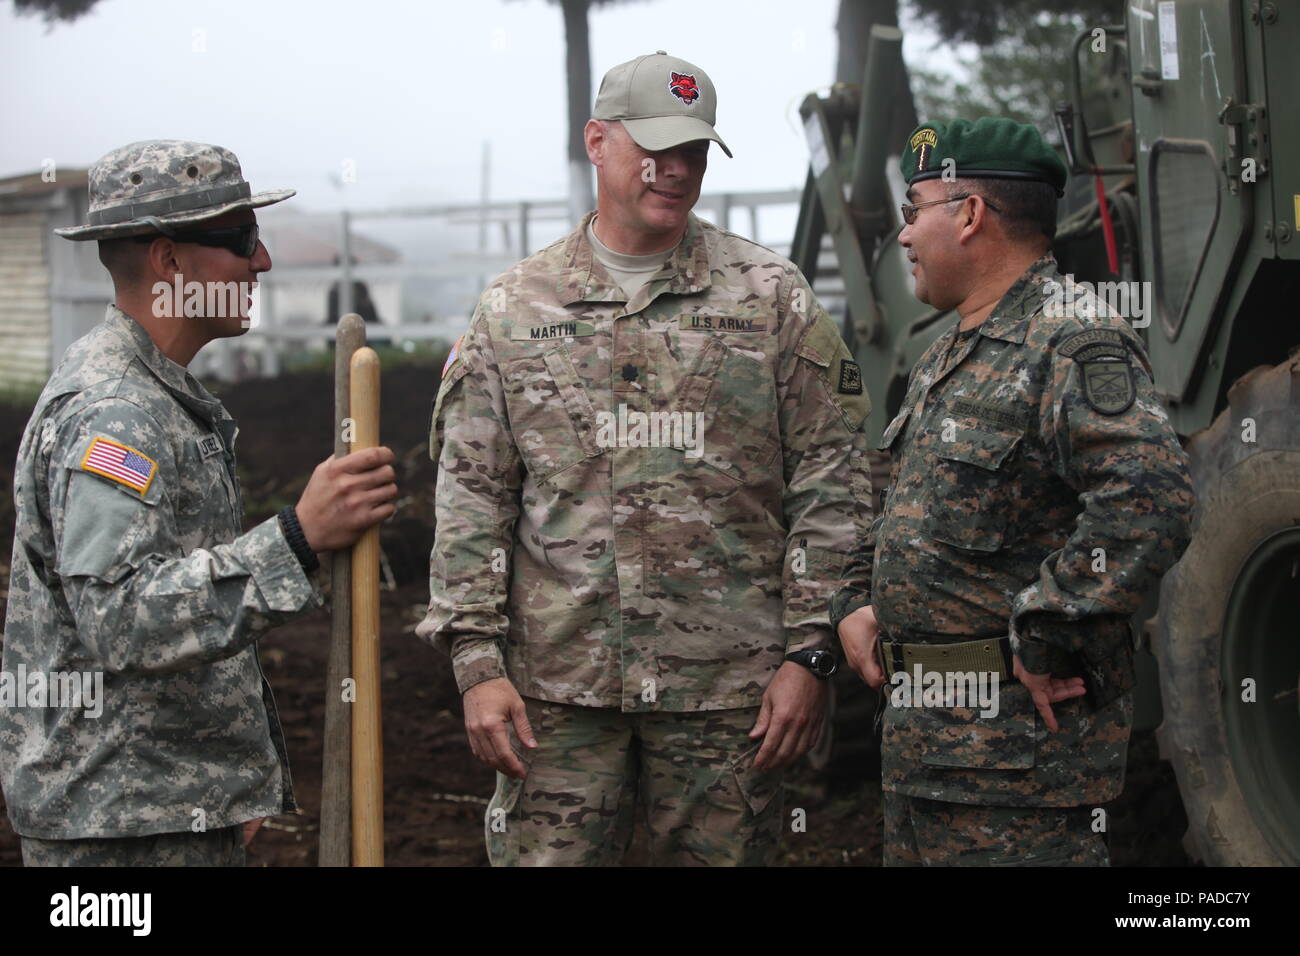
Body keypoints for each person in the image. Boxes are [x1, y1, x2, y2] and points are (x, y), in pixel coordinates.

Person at [419, 52, 872, 866]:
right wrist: (475, 660)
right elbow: (473, 496)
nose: (678, 171)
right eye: (655, 149)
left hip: (729, 694)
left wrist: (812, 652)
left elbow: (831, 480)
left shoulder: (770, 298)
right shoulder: (516, 308)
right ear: (597, 142)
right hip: (555, 696)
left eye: (695, 152)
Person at [0, 140, 398, 866]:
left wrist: (217, 783)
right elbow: (121, 620)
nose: (263, 262)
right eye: (241, 238)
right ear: (169, 261)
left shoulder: (154, 394)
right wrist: (298, 537)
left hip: (154, 807)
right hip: (121, 830)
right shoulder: (116, 412)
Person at [831, 117, 1195, 866]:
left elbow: (1149, 502)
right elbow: (910, 505)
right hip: (925, 753)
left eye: (914, 210)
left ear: (968, 215)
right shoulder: (950, 352)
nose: (901, 236)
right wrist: (856, 603)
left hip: (1017, 766)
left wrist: (1047, 628)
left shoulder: (1070, 341)